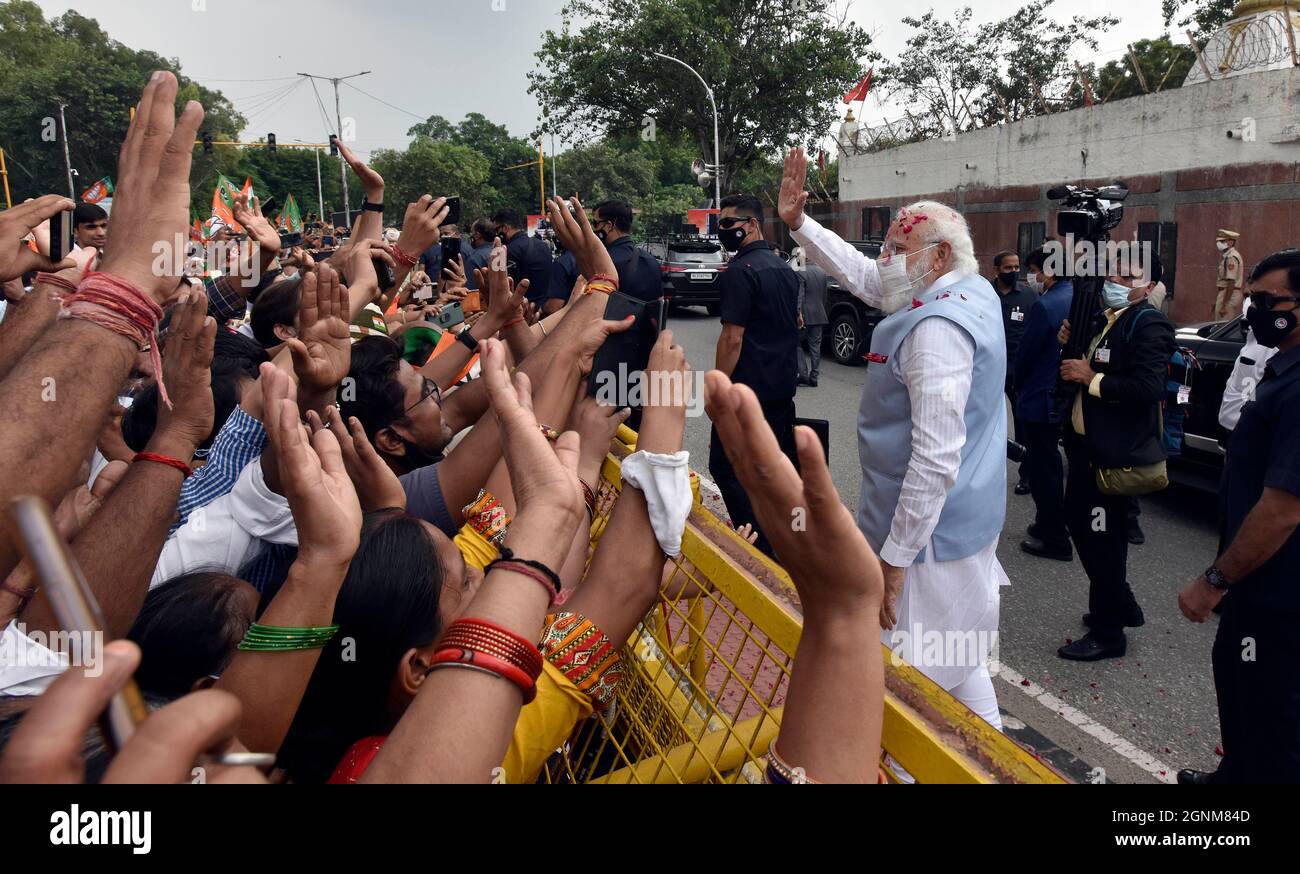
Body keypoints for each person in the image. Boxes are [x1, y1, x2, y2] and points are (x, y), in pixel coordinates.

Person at [780, 147, 1008, 732]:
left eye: (896, 250)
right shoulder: (966, 290)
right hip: (964, 527)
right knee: (958, 664)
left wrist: (895, 560)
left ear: (935, 256)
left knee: (908, 691)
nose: (883, 260)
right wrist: (800, 225)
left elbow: (935, 458)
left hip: (926, 544)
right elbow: (862, 276)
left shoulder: (934, 329)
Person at [1177, 250, 1300, 785]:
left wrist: (1214, 581)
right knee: (1242, 690)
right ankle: (1234, 774)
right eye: (1252, 299)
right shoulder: (1280, 369)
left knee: (1271, 714)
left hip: (1279, 596)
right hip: (1261, 588)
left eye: (1269, 301)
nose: (1255, 311)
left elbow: (1281, 510)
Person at [1056, 261, 1174, 661]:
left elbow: (1148, 386)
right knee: (1084, 527)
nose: (1116, 282)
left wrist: (1091, 376)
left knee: (1102, 539)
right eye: (1113, 275)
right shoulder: (1104, 319)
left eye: (1127, 277)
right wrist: (1070, 345)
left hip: (1113, 454)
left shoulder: (1148, 324)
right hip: (1087, 451)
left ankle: (1109, 631)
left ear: (1150, 285)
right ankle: (1117, 604)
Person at [710, 192, 800, 557]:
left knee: (726, 466)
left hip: (745, 395)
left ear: (752, 225)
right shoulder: (783, 270)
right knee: (774, 468)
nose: (723, 231)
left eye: (729, 224)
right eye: (720, 225)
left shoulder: (740, 272)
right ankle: (785, 537)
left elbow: (732, 337)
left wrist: (717, 388)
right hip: (781, 389)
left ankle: (758, 544)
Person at [1016, 246, 1074, 561]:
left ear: (1048, 271)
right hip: (1060, 395)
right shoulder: (1075, 296)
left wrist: (1015, 381)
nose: (1034, 278)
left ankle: (1055, 537)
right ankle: (1046, 523)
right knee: (1051, 464)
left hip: (1040, 396)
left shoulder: (1046, 305)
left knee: (1044, 470)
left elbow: (1027, 354)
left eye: (1036, 271)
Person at [992, 250, 1037, 495]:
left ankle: (1026, 474)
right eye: (1008, 268)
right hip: (988, 370)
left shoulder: (1029, 296)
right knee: (983, 419)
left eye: (1017, 267)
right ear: (996, 270)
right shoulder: (984, 294)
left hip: (1017, 371)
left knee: (1023, 423)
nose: (1014, 272)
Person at [492, 207, 551, 305]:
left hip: (520, 310)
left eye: (497, 230)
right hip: (543, 309)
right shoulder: (543, 245)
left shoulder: (507, 251)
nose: (496, 234)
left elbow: (497, 285)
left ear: (506, 228)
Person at [793, 248, 829, 388]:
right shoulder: (821, 272)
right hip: (819, 315)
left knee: (796, 343)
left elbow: (799, 295)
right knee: (815, 347)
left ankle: (802, 374)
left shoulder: (800, 272)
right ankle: (814, 377)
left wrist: (798, 313)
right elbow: (824, 295)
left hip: (805, 316)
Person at [1214, 230, 1245, 322]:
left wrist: (1224, 305)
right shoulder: (1228, 256)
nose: (1219, 243)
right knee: (1219, 325)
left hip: (1229, 294)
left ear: (1231, 242)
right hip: (1226, 294)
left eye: (1223, 241)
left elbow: (1231, 282)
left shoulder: (1231, 257)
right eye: (1219, 241)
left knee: (1221, 327)